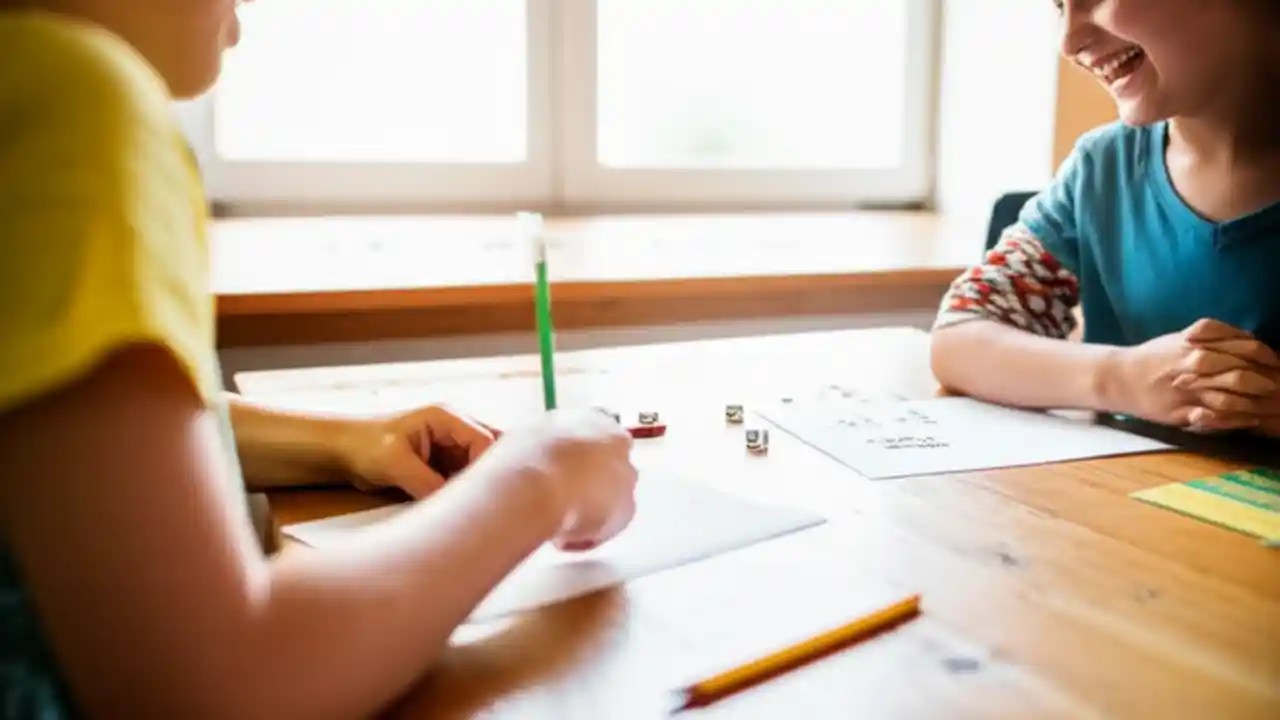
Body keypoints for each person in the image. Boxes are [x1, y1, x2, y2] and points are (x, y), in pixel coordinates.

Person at [0, 1, 638, 717]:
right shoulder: (69, 96)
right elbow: (227, 685)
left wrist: (344, 443)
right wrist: (544, 474)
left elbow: (68, 451)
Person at [931, 0, 1280, 436]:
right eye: (1059, 7)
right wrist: (1123, 377)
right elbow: (960, 335)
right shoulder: (1102, 169)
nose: (1069, 41)